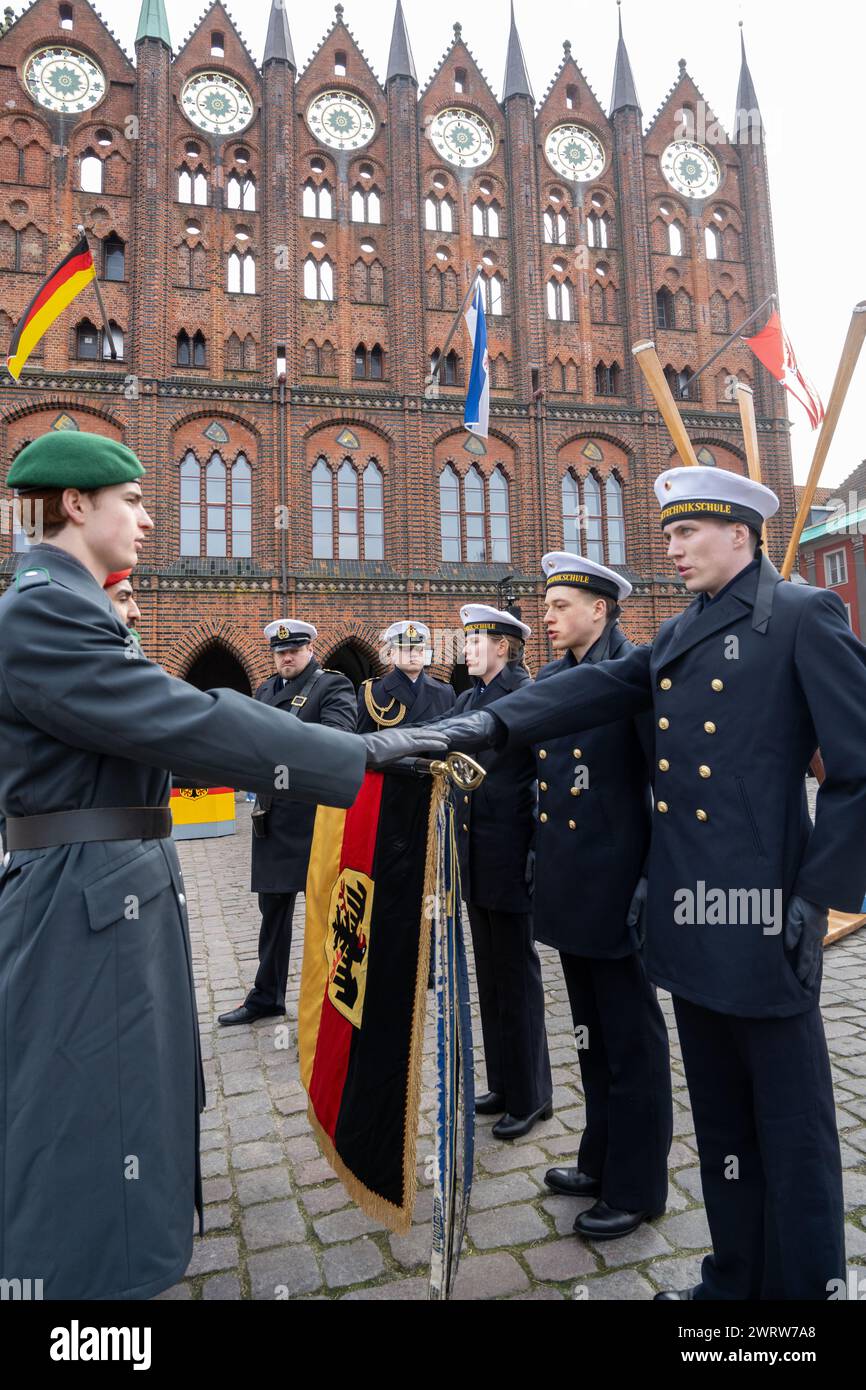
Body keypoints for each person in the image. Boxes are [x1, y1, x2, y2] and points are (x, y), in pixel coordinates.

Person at [0, 429, 444, 1301]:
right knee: (88, 1096)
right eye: (132, 500)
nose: (148, 517)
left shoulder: (68, 601)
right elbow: (184, 721)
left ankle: (130, 1253)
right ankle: (87, 1301)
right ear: (76, 505)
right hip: (81, 895)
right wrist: (354, 759)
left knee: (127, 1081)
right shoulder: (43, 607)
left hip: (108, 882)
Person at [428, 464, 866, 1300]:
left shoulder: (803, 616)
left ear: (739, 534)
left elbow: (857, 771)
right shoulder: (681, 631)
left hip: (766, 918)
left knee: (792, 1125)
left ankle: (805, 1295)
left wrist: (818, 895)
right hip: (691, 917)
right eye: (667, 533)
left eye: (684, 532)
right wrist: (489, 722)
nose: (669, 546)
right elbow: (594, 688)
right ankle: (732, 1282)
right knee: (722, 1118)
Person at [535, 553, 672, 1240]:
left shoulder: (634, 676)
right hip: (570, 885)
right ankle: (599, 1157)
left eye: (561, 605)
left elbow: (667, 791)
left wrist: (652, 881)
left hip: (618, 886)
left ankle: (639, 1184)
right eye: (547, 605)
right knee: (589, 1036)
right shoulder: (555, 678)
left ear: (600, 608)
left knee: (631, 1042)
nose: (549, 616)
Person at [218, 620, 357, 1027]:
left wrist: (274, 746)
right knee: (273, 915)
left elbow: (337, 738)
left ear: (311, 647)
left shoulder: (331, 686)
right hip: (273, 818)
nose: (287, 657)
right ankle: (267, 995)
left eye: (294, 650)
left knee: (329, 914)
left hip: (316, 818)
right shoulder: (264, 691)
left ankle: (335, 998)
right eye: (280, 652)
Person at [455, 603, 552, 1140]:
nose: (466, 649)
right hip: (478, 855)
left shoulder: (525, 695)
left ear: (502, 646)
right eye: (465, 641)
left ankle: (533, 1093)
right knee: (490, 977)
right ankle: (503, 1081)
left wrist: (539, 848)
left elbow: (545, 774)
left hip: (513, 853)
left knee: (517, 976)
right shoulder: (472, 699)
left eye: (474, 641)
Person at [356, 620, 455, 732]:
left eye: (419, 649)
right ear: (392, 654)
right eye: (406, 649)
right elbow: (364, 740)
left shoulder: (445, 692)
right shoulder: (373, 692)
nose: (414, 654)